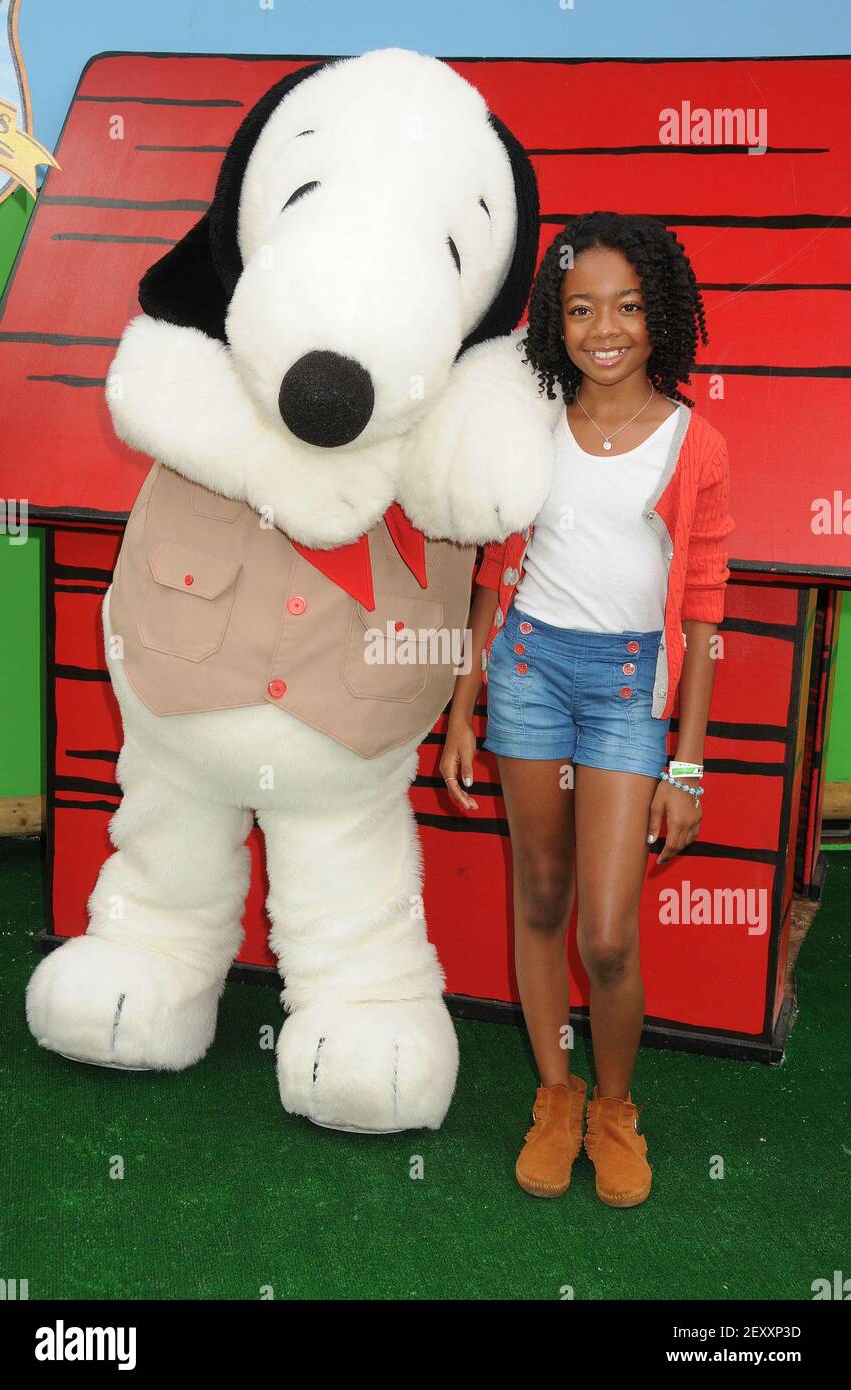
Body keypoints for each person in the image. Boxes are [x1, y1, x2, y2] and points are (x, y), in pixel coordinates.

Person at [440, 211, 734, 1207]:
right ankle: (555, 1094)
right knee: (538, 895)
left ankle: (614, 1106)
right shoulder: (530, 425)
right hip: (525, 667)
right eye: (578, 308)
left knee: (605, 933)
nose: (601, 327)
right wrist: (462, 702)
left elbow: (701, 608)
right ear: (551, 321)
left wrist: (685, 769)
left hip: (624, 688)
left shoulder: (695, 443)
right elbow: (492, 563)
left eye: (624, 306)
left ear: (660, 314)